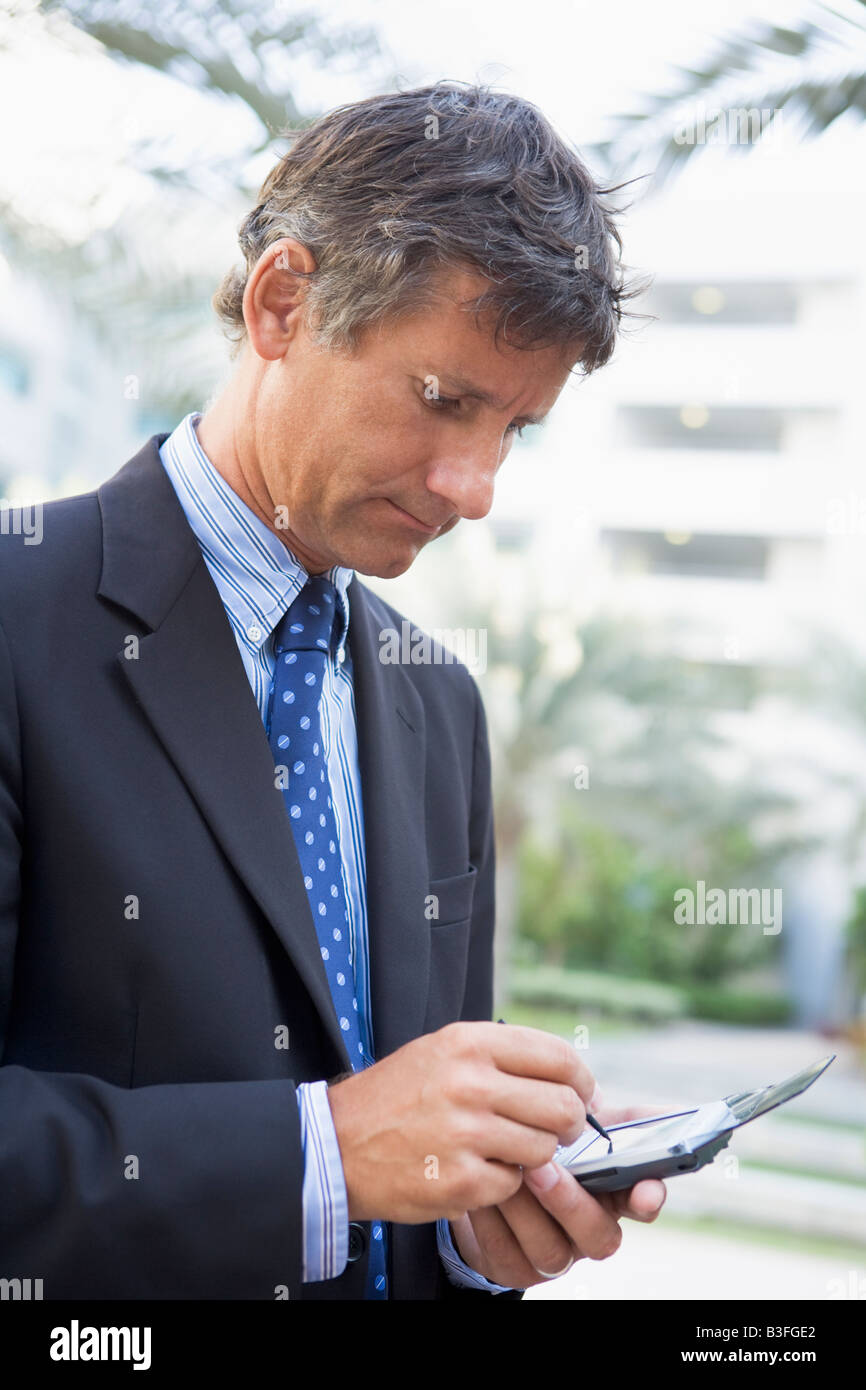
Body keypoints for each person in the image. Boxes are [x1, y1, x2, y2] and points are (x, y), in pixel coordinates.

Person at [0, 80, 665, 1300]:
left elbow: (404, 1152)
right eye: (444, 400)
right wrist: (325, 1155)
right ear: (282, 304)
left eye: (513, 429)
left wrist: (478, 1224)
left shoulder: (440, 709)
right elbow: (352, 1147)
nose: (473, 487)